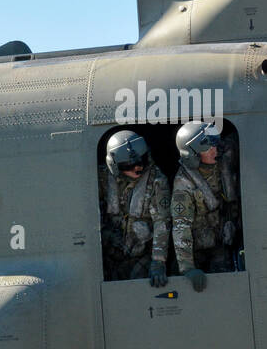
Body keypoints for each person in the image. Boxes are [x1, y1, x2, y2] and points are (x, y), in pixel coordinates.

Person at [170, 121, 240, 291]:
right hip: (199, 251)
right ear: (193, 155)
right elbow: (181, 227)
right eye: (208, 149)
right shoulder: (184, 185)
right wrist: (188, 268)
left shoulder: (221, 161)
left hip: (222, 241)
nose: (214, 151)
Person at [100, 130, 171, 286]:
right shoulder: (103, 179)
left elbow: (162, 222)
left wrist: (158, 261)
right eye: (130, 165)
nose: (138, 168)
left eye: (142, 162)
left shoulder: (156, 181)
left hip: (142, 256)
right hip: (110, 255)